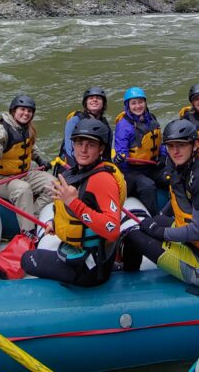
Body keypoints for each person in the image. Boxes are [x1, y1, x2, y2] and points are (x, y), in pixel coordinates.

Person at [122, 119, 199, 294]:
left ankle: (126, 280)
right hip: (196, 246)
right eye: (171, 146)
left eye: (181, 145)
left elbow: (197, 231)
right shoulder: (187, 170)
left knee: (133, 236)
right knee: (153, 220)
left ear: (195, 145)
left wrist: (157, 231)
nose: (175, 151)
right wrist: (154, 223)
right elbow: (176, 203)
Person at [22, 119, 126, 286]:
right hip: (88, 255)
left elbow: (112, 230)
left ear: (101, 149)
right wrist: (56, 224)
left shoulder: (102, 180)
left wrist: (73, 202)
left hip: (90, 268)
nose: (83, 150)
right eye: (79, 143)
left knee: (28, 259)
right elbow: (80, 214)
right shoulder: (78, 172)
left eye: (90, 145)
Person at [0, 94, 53, 238]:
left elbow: (31, 147)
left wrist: (40, 160)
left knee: (53, 184)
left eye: (29, 111)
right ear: (13, 111)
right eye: (22, 110)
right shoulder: (1, 129)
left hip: (25, 173)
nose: (26, 113)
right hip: (1, 179)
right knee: (22, 190)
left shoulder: (27, 127)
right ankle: (28, 233)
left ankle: (34, 216)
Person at [113, 86, 166, 214]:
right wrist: (119, 159)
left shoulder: (152, 119)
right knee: (148, 186)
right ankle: (154, 218)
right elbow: (122, 153)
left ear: (145, 103)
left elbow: (161, 143)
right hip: (132, 171)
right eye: (133, 103)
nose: (138, 106)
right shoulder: (123, 126)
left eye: (140, 102)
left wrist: (163, 157)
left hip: (152, 166)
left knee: (172, 177)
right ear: (128, 105)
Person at [56, 86, 111, 167]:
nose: (94, 100)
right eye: (91, 98)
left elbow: (107, 151)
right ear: (86, 103)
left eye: (98, 98)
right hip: (71, 162)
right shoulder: (74, 120)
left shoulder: (105, 124)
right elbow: (70, 149)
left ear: (103, 103)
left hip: (92, 162)